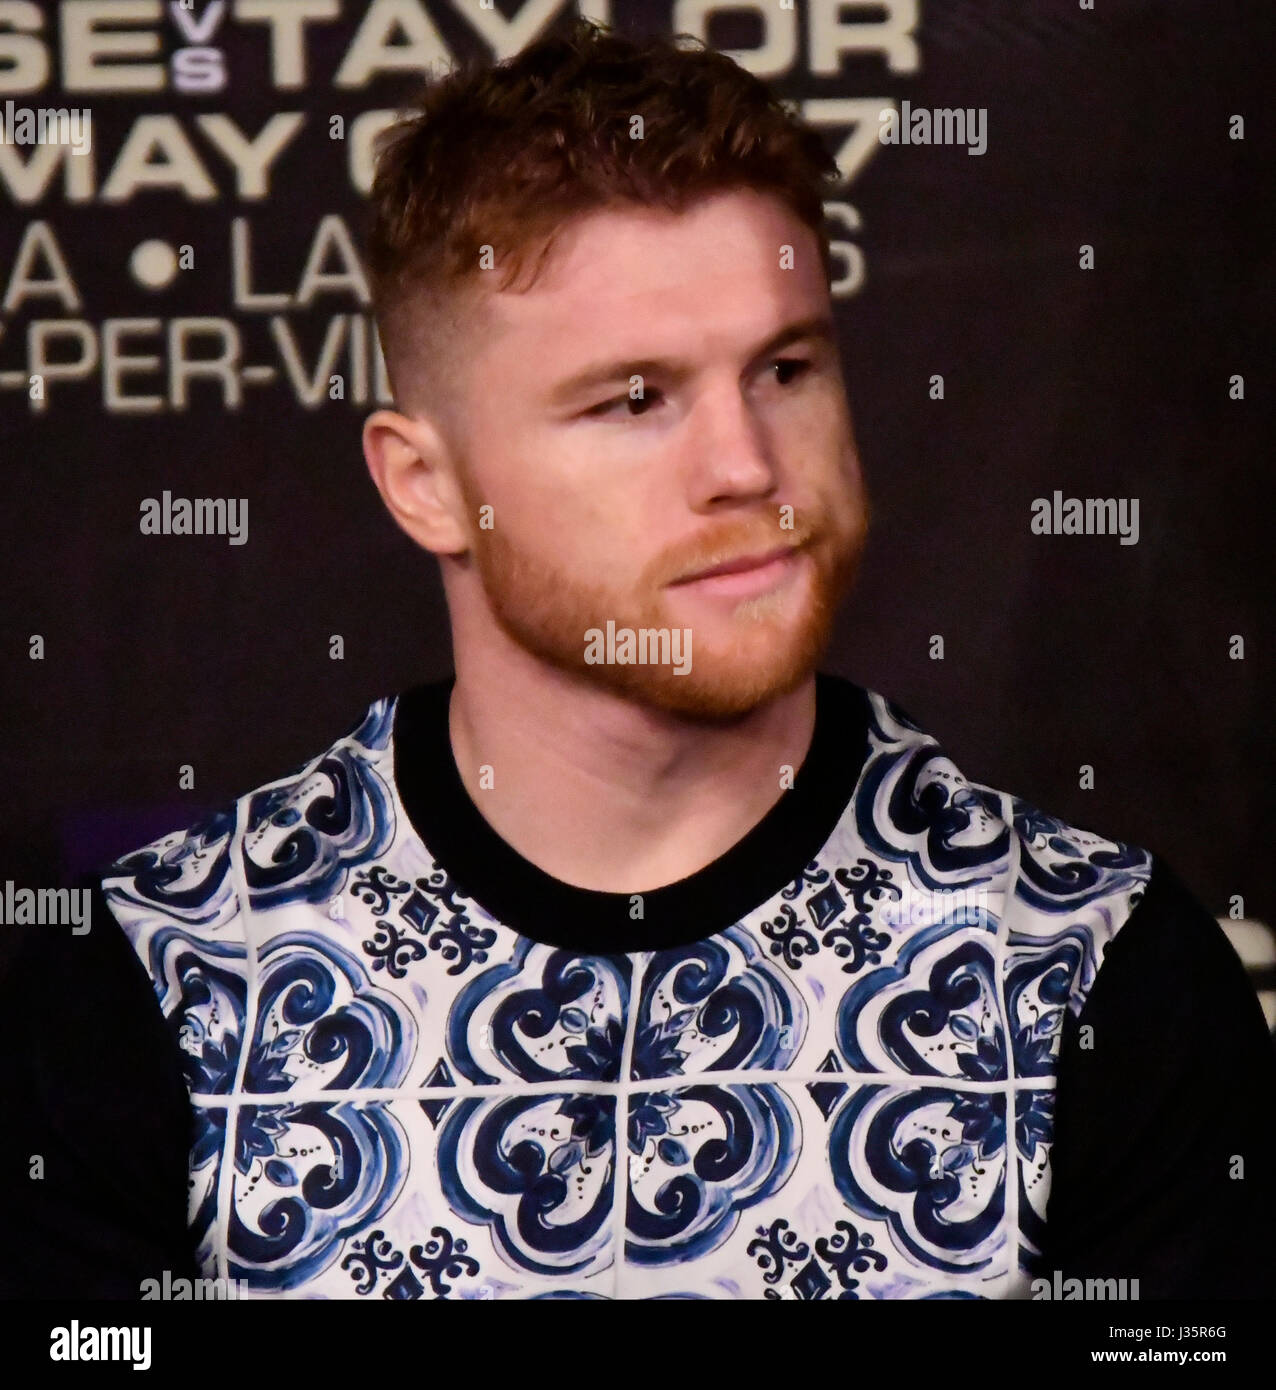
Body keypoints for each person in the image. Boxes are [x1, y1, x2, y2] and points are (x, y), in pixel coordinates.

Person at [3, 18, 1272, 1302]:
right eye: (632, 399)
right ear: (426, 485)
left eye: (783, 368)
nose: (745, 467)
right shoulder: (162, 982)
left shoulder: (1099, 970)